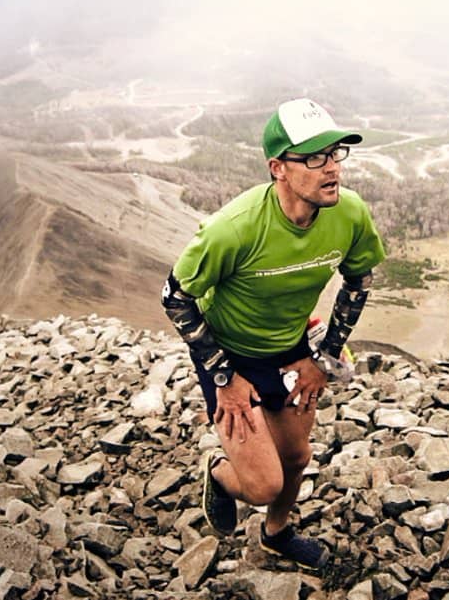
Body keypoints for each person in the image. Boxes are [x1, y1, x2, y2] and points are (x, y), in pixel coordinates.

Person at [161, 98, 386, 568]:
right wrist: (225, 378)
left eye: (336, 153)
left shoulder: (350, 214)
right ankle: (222, 476)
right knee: (263, 485)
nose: (332, 169)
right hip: (228, 354)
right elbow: (175, 297)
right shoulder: (233, 229)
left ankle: (276, 534)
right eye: (314, 158)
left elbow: (359, 279)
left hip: (290, 350)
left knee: (297, 458)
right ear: (278, 168)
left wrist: (321, 358)